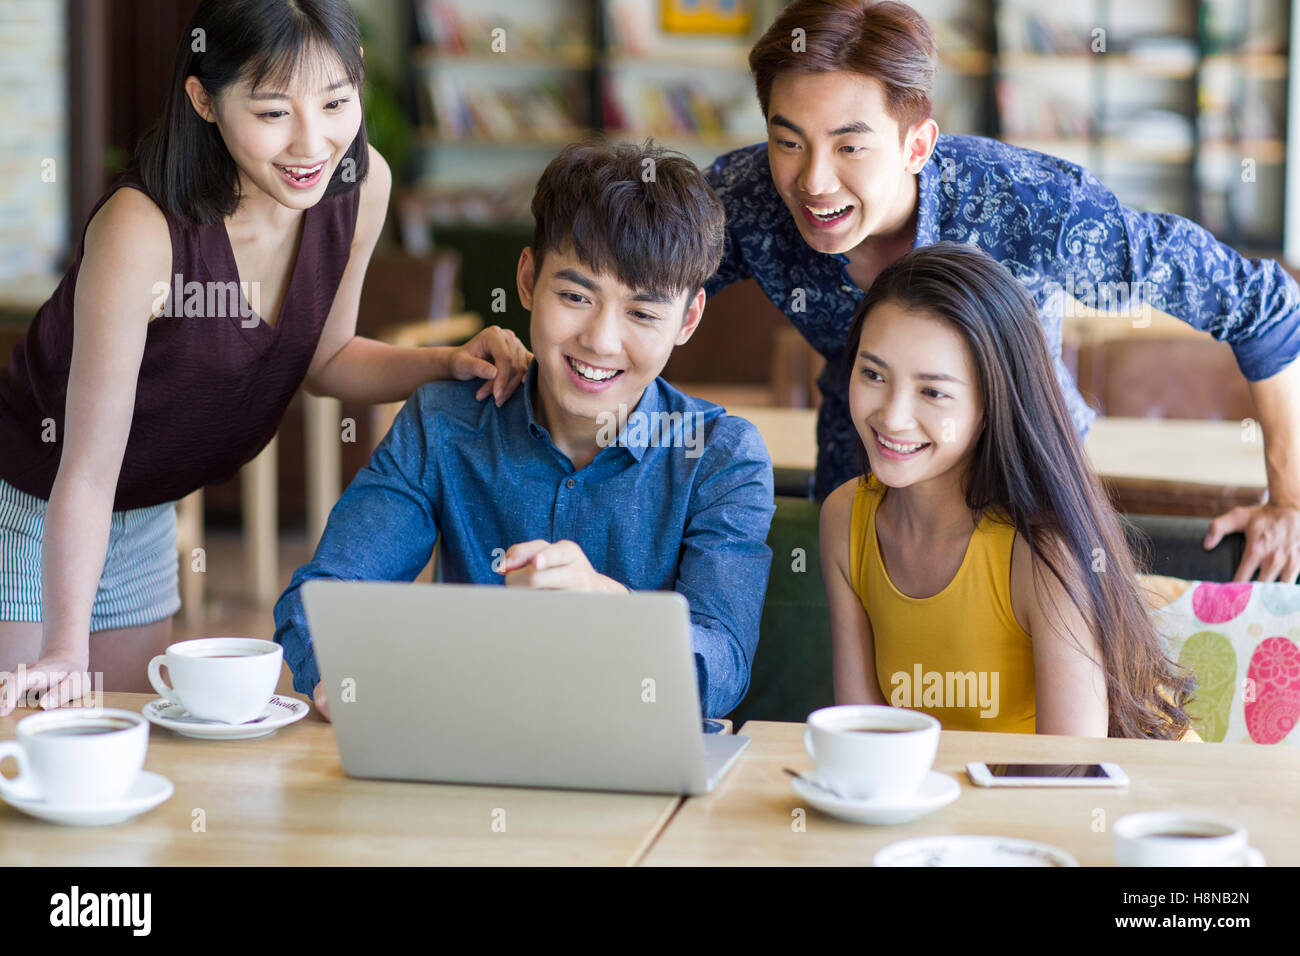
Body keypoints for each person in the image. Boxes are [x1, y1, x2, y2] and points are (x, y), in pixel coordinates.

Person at [0, 0, 530, 716]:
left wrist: (447, 361)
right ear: (204, 101)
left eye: (337, 101)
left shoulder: (359, 184)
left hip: (147, 505)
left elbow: (328, 359)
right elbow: (86, 472)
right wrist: (64, 649)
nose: (313, 143)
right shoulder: (143, 229)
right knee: (30, 743)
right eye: (273, 112)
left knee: (123, 733)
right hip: (34, 500)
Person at [706, 0, 1300, 584]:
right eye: (789, 142)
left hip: (1025, 479)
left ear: (917, 146)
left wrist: (1290, 502)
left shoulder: (1032, 204)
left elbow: (1262, 305)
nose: (813, 180)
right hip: (864, 472)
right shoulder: (751, 196)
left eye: (850, 146)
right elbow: (637, 283)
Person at [272, 141, 776, 720]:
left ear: (688, 319)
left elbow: (723, 666)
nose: (601, 341)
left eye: (642, 313)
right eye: (576, 296)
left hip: (638, 776)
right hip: (466, 764)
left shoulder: (721, 457)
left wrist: (614, 612)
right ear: (529, 279)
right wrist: (343, 665)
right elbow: (324, 597)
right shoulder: (445, 424)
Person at [821, 241, 1198, 739]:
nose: (891, 415)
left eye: (933, 392)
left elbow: (1068, 767)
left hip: (1105, 802)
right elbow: (862, 732)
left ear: (993, 403)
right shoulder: (844, 518)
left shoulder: (1044, 549)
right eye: (873, 374)